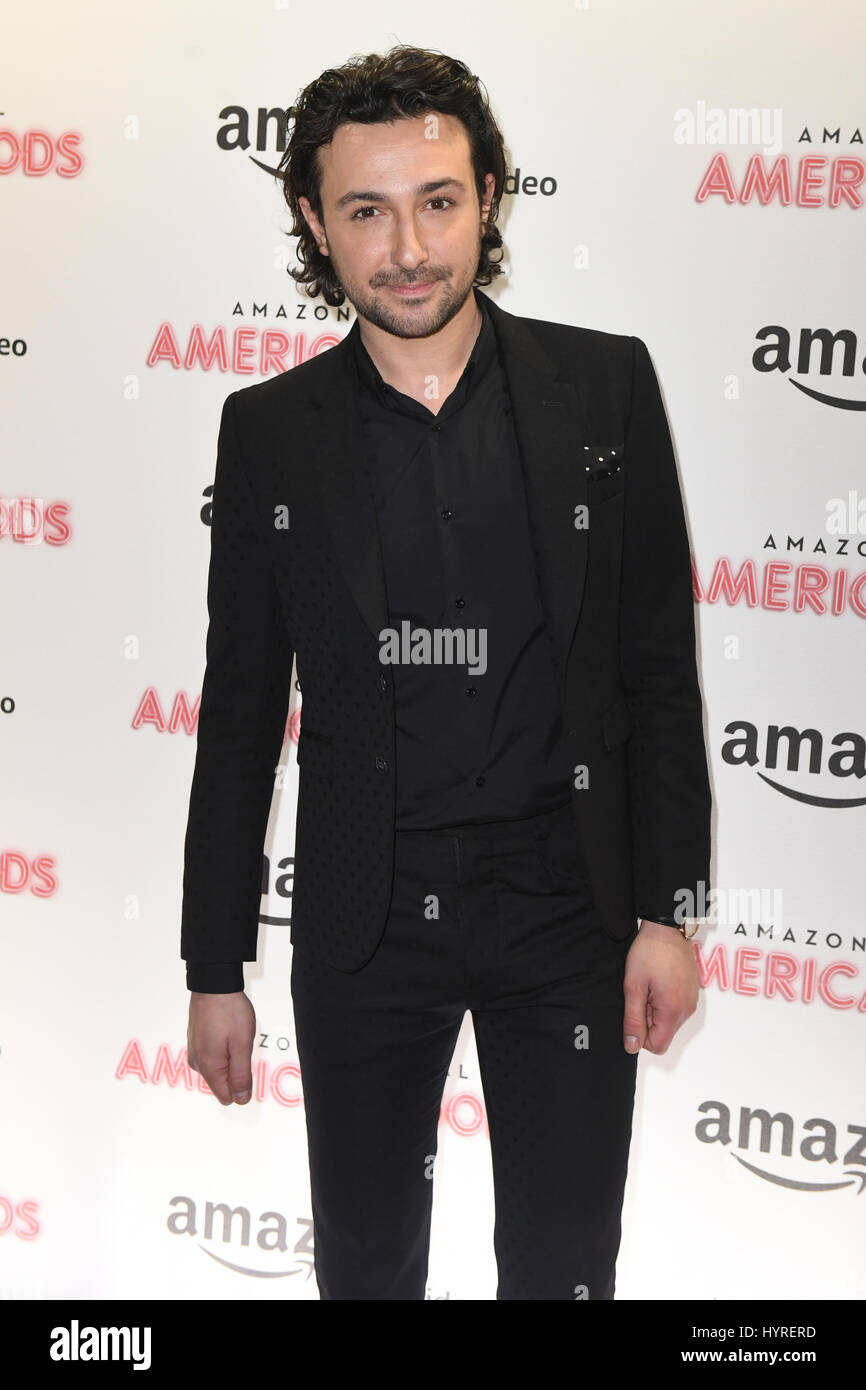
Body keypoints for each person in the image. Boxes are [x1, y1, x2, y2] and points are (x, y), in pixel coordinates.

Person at [181, 44, 712, 1300]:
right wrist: (214, 967)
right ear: (315, 221)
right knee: (365, 1269)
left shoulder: (603, 387)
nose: (407, 246)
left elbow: (655, 667)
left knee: (566, 1261)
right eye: (365, 210)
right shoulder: (269, 434)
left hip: (567, 913)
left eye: (436, 200)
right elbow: (240, 709)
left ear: (487, 198)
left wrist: (665, 911)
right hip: (367, 920)